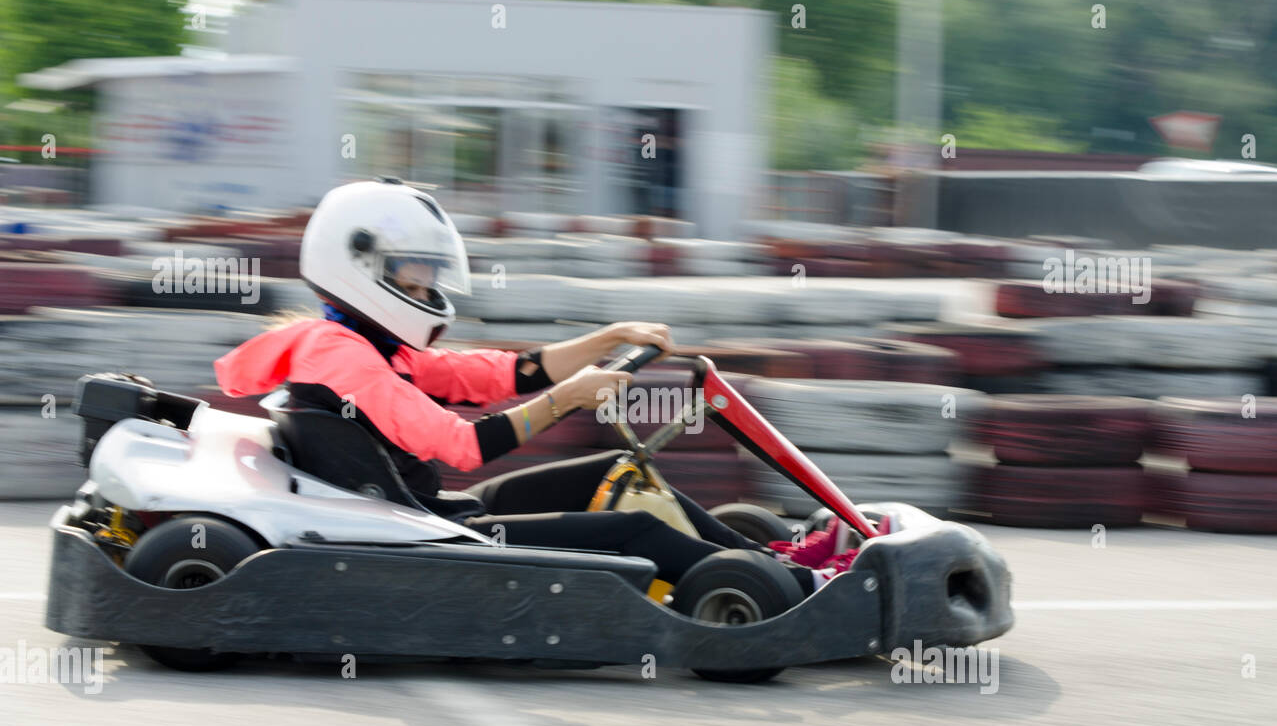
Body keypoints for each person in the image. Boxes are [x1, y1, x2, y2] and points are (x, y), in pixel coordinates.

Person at [214, 177, 853, 588]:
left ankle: (772, 565)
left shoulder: (362, 344)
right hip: (423, 537)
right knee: (635, 532)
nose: (425, 291)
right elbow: (460, 446)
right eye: (411, 277)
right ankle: (787, 590)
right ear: (358, 268)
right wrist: (566, 400)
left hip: (437, 515)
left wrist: (603, 340)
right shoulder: (341, 357)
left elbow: (484, 375)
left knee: (614, 471)